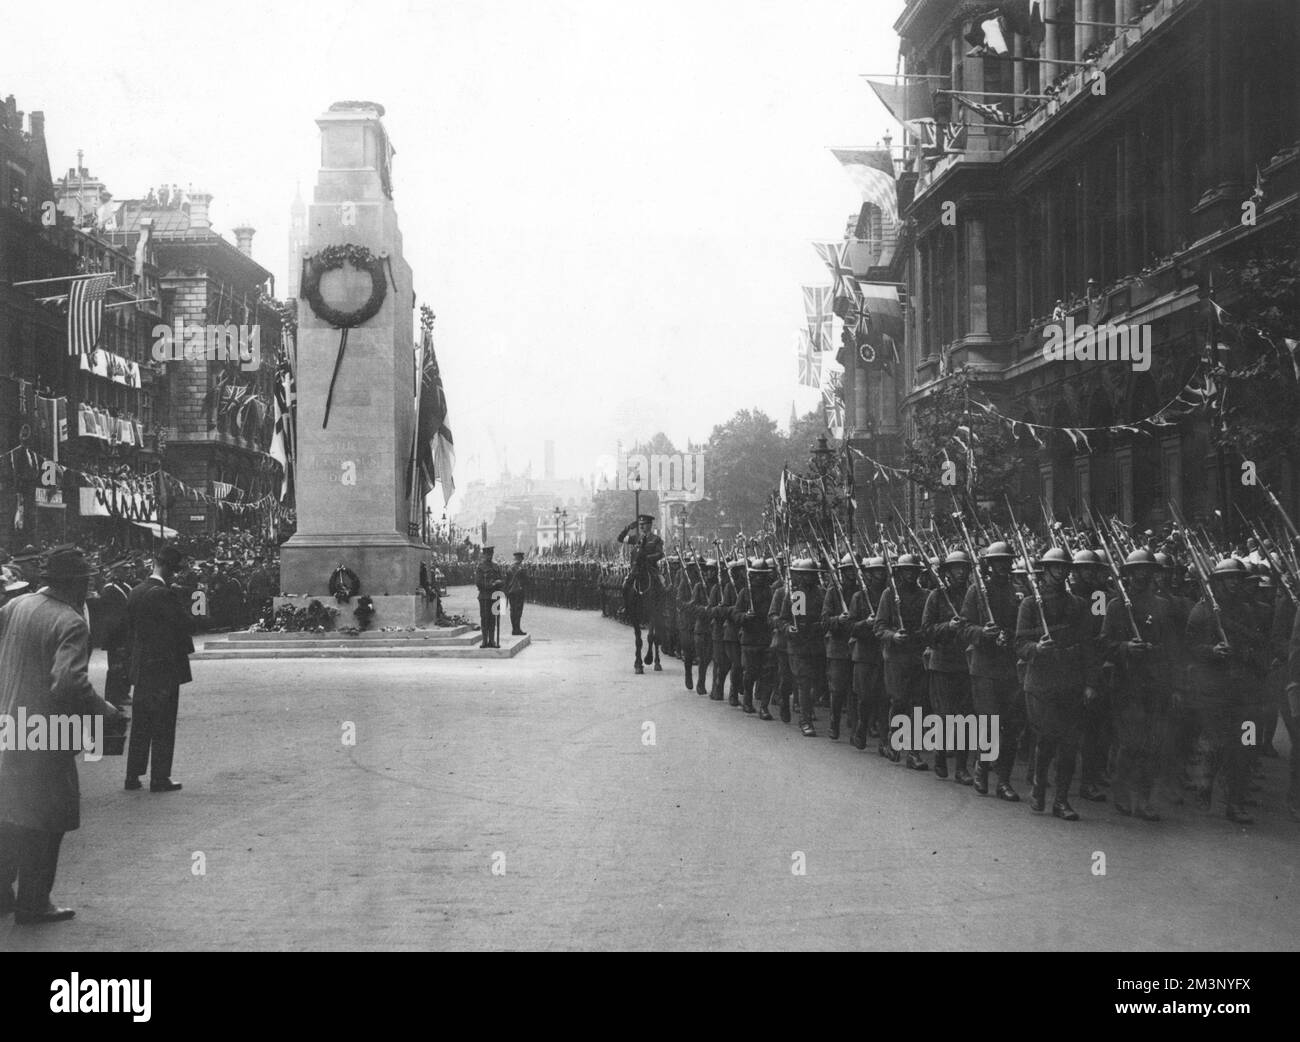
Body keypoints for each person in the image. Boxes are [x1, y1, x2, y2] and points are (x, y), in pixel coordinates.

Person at [0, 546, 124, 924]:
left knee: (8, 815)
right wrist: (106, 711)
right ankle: (34, 903)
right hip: (47, 734)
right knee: (50, 818)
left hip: (9, 727)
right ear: (77, 584)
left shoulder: (15, 606)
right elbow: (68, 683)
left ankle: (3, 896)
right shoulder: (70, 621)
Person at [124, 545, 195, 793]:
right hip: (164, 668)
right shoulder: (165, 594)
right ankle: (160, 778)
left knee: (141, 723)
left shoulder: (135, 592)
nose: (175, 575)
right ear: (168, 569)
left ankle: (132, 776)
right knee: (164, 724)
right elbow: (182, 626)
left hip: (142, 667)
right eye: (174, 571)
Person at [475, 547, 504, 648]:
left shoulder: (496, 567)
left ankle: (492, 640)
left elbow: (502, 579)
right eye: (487, 554)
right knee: (484, 619)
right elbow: (478, 582)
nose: (489, 556)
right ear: (484, 555)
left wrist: (499, 582)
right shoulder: (480, 567)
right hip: (484, 596)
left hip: (495, 596)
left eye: (491, 554)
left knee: (493, 619)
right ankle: (484, 641)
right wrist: (490, 585)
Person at [506, 550, 529, 636]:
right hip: (519, 591)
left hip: (511, 591)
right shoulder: (522, 569)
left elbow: (506, 581)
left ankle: (514, 629)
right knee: (518, 611)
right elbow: (527, 580)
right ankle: (517, 629)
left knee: (512, 610)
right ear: (520, 558)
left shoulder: (509, 568)